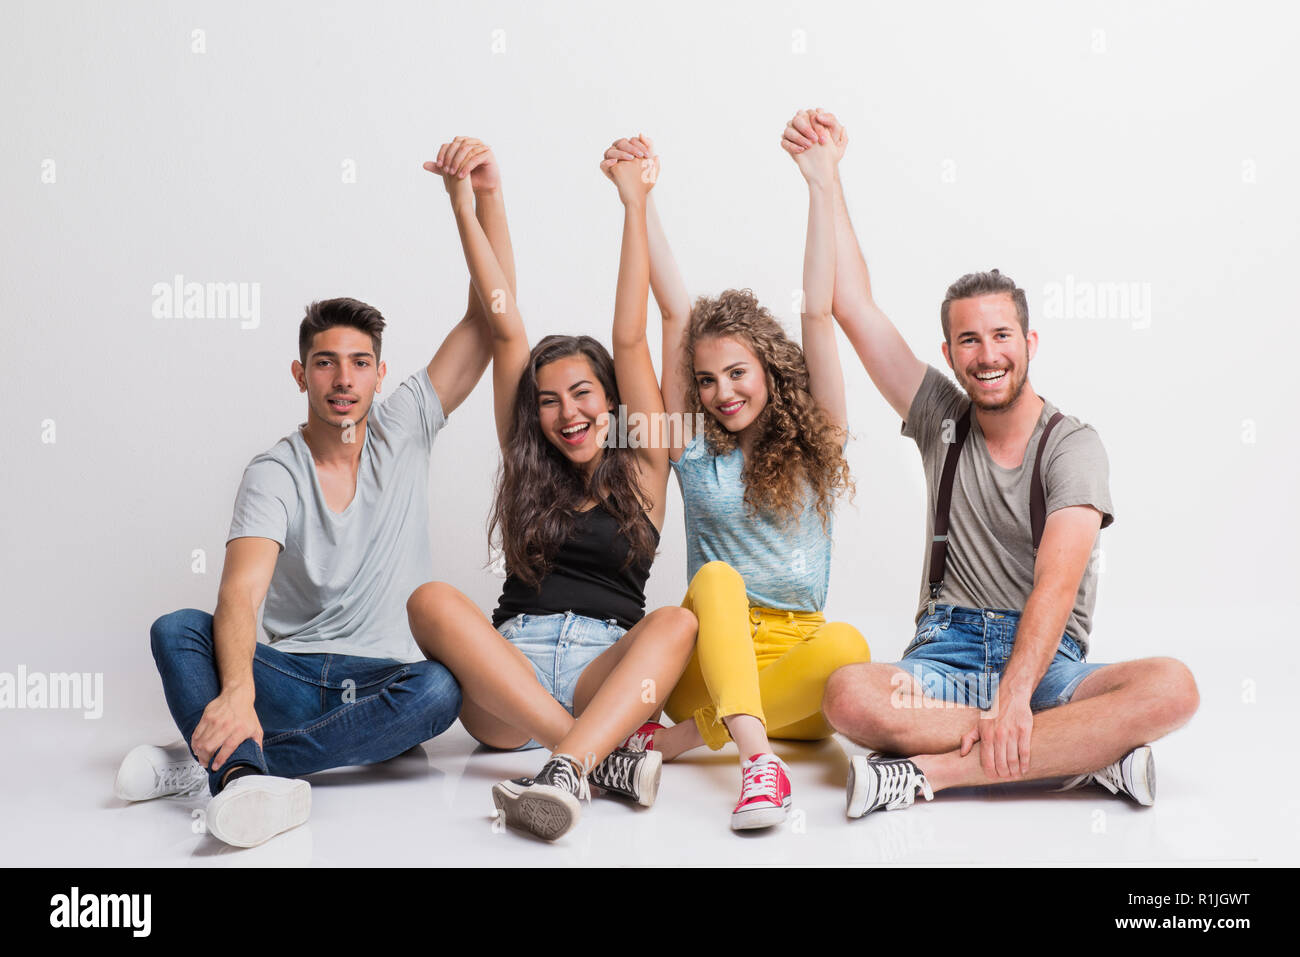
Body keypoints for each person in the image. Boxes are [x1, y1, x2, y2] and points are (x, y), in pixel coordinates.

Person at [779, 109, 1199, 818]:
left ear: (1029, 339)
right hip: (945, 655)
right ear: (949, 355)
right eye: (969, 340)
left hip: (1046, 664)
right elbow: (851, 306)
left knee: (1173, 686)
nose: (988, 353)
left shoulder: (1073, 445)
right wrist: (825, 180)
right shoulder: (940, 415)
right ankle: (1087, 756)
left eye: (1002, 334)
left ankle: (930, 774)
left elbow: (1056, 586)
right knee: (848, 695)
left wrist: (1014, 700)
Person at [114, 138, 514, 848]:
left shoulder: (405, 427)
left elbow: (495, 319)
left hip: (387, 683)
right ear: (301, 374)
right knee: (176, 628)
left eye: (359, 363)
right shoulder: (274, 470)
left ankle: (222, 763)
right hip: (289, 676)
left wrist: (478, 198)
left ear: (380, 374)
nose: (343, 379)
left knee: (440, 690)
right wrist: (239, 689)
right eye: (326, 362)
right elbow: (239, 594)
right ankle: (240, 770)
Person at [405, 137, 697, 842]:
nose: (569, 413)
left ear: (613, 400)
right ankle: (590, 758)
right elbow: (505, 324)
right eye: (549, 400)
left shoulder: (647, 460)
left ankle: (569, 761)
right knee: (430, 600)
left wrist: (634, 201)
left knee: (679, 621)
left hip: (607, 667)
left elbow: (635, 335)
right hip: (510, 681)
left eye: (584, 394)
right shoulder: (526, 457)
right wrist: (468, 201)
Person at [598, 129, 870, 831]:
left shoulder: (816, 442)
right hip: (713, 664)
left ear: (771, 370)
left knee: (851, 649)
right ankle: (759, 766)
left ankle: (684, 741)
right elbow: (675, 311)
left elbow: (817, 308)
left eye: (738, 373)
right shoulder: (693, 449)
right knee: (715, 580)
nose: (722, 391)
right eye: (709, 377)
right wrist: (642, 197)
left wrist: (820, 183)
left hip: (797, 671)